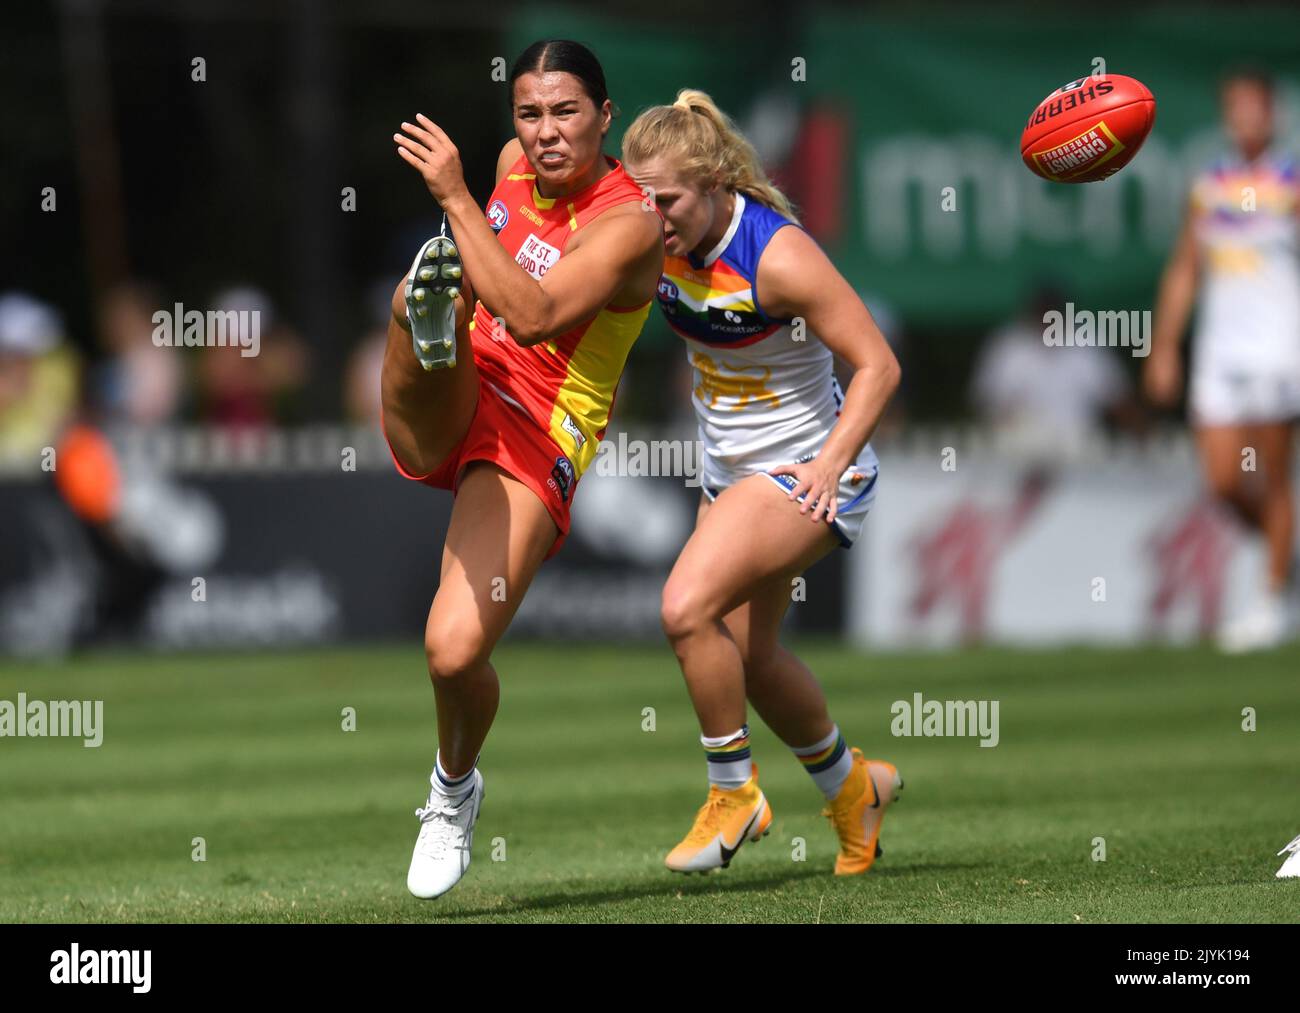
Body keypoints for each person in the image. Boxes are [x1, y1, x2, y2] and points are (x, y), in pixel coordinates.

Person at [383, 39, 662, 898]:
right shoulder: (508, 167)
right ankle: (424, 316)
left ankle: (452, 790)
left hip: (539, 433)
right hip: (470, 382)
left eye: (566, 112)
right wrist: (467, 247)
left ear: (605, 116)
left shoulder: (630, 221)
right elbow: (502, 287)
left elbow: (537, 314)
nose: (544, 134)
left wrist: (455, 198)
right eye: (530, 114)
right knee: (414, 300)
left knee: (452, 652)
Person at [622, 90, 903, 876]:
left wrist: (827, 463)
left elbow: (879, 365)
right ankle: (855, 789)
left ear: (714, 181)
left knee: (683, 607)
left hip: (809, 472)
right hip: (730, 475)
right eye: (640, 200)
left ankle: (733, 791)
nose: (653, 217)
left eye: (668, 200)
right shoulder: (653, 237)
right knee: (749, 659)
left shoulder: (777, 255)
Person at [1145, 69, 1300, 652]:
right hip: (1220, 350)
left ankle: (1271, 596)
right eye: (1236, 107)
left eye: (1255, 107)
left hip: (1281, 346)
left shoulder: (1291, 180)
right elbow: (1186, 268)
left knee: (1273, 475)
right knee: (1222, 480)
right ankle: (1286, 558)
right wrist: (1163, 346)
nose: (1246, 117)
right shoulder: (1209, 184)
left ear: (1273, 114)